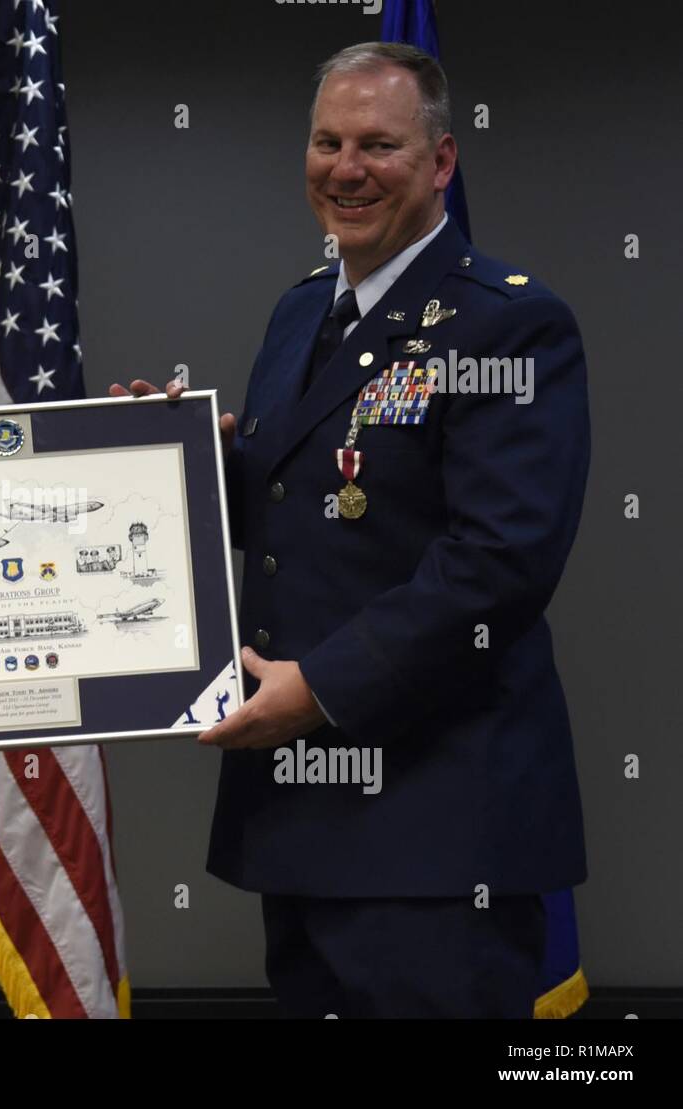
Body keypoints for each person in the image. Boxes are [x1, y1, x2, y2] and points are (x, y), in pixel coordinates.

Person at [112, 42, 589, 1017]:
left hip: (438, 825)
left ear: (441, 161)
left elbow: (499, 562)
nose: (346, 168)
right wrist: (164, 470)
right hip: (301, 817)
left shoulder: (507, 325)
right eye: (327, 142)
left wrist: (323, 688)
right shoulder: (301, 313)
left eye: (378, 144)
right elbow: (298, 506)